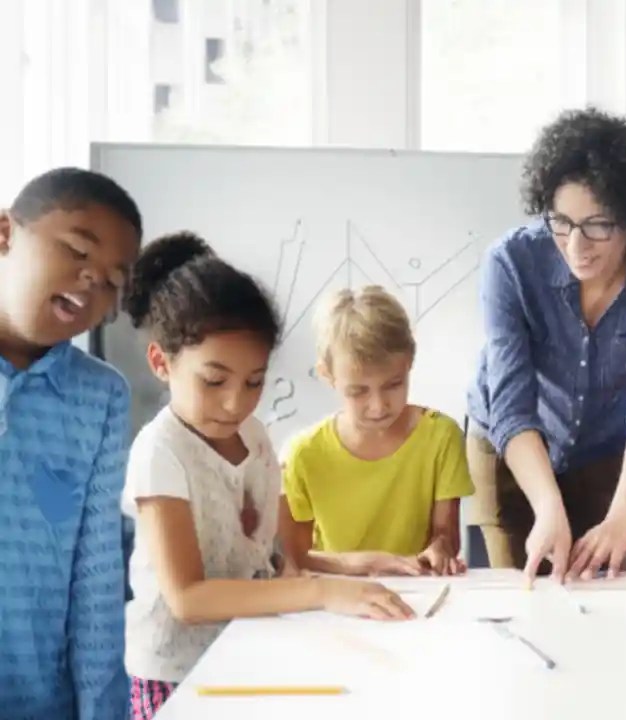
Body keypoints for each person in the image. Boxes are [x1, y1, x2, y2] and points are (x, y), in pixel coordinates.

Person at [121, 234, 414, 719]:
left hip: (246, 648)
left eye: (254, 381)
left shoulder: (255, 437)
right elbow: (189, 597)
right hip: (176, 672)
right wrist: (320, 591)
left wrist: (361, 565)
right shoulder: (161, 450)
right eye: (214, 381)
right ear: (161, 362)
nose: (236, 402)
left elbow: (267, 563)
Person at [467, 108, 626, 583]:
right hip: (513, 451)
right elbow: (512, 405)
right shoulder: (511, 262)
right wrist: (548, 506)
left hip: (608, 451)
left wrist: (624, 515)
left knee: (607, 588)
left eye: (599, 225)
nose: (576, 245)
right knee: (524, 589)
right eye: (561, 221)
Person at [0, 168, 142, 719]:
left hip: (41, 701)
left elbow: (97, 576)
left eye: (112, 280)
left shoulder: (100, 396)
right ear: (6, 234)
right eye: (77, 250)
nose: (92, 282)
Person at [280, 286, 473, 577]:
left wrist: (440, 548)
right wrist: (364, 564)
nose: (378, 406)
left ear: (409, 362)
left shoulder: (440, 436)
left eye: (393, 384)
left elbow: (445, 535)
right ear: (327, 375)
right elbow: (294, 557)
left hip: (418, 592)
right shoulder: (304, 454)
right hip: (334, 598)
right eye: (358, 391)